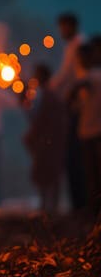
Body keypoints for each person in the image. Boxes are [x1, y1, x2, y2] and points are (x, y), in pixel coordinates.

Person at [51, 12, 86, 211]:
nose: (61, 31)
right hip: (75, 107)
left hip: (80, 109)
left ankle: (82, 206)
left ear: (71, 26)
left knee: (76, 158)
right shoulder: (72, 46)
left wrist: (48, 86)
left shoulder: (78, 46)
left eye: (63, 27)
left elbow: (65, 77)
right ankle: (79, 206)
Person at [23, 64, 67, 215]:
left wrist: (35, 134)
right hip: (46, 139)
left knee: (50, 172)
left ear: (43, 76)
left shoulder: (49, 95)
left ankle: (51, 207)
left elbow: (42, 119)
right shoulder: (41, 94)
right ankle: (46, 206)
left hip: (49, 140)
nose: (34, 77)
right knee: (44, 172)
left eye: (37, 74)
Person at [72, 43, 101, 218]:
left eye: (82, 58)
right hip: (86, 131)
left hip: (95, 132)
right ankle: (93, 212)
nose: (80, 61)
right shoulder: (87, 77)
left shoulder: (94, 76)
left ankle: (95, 213)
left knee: (95, 175)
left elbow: (85, 85)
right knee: (91, 175)